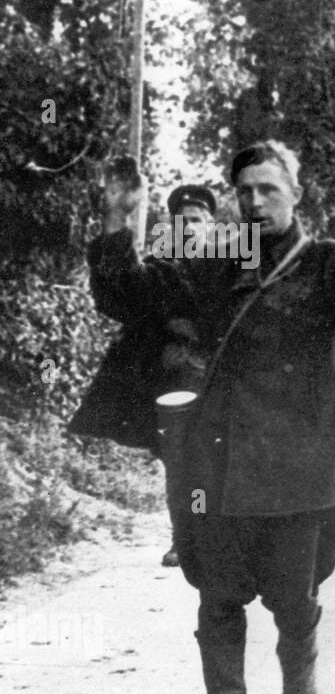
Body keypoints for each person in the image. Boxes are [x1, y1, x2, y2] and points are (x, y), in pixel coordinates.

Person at [86, 143, 335, 694]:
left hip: (300, 463)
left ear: (295, 194)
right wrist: (117, 222)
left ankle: (299, 671)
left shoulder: (327, 263)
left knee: (291, 598)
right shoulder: (215, 256)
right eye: (244, 190)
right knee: (217, 596)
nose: (254, 202)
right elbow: (129, 297)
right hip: (216, 460)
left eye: (268, 189)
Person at [69, 183, 218, 567]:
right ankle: (185, 539)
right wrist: (167, 332)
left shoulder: (232, 269)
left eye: (197, 221)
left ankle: (221, 538)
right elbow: (120, 292)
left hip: (227, 381)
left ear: (212, 226)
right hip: (178, 385)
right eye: (181, 222)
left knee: (221, 463)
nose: (189, 229)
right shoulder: (159, 269)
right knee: (181, 462)